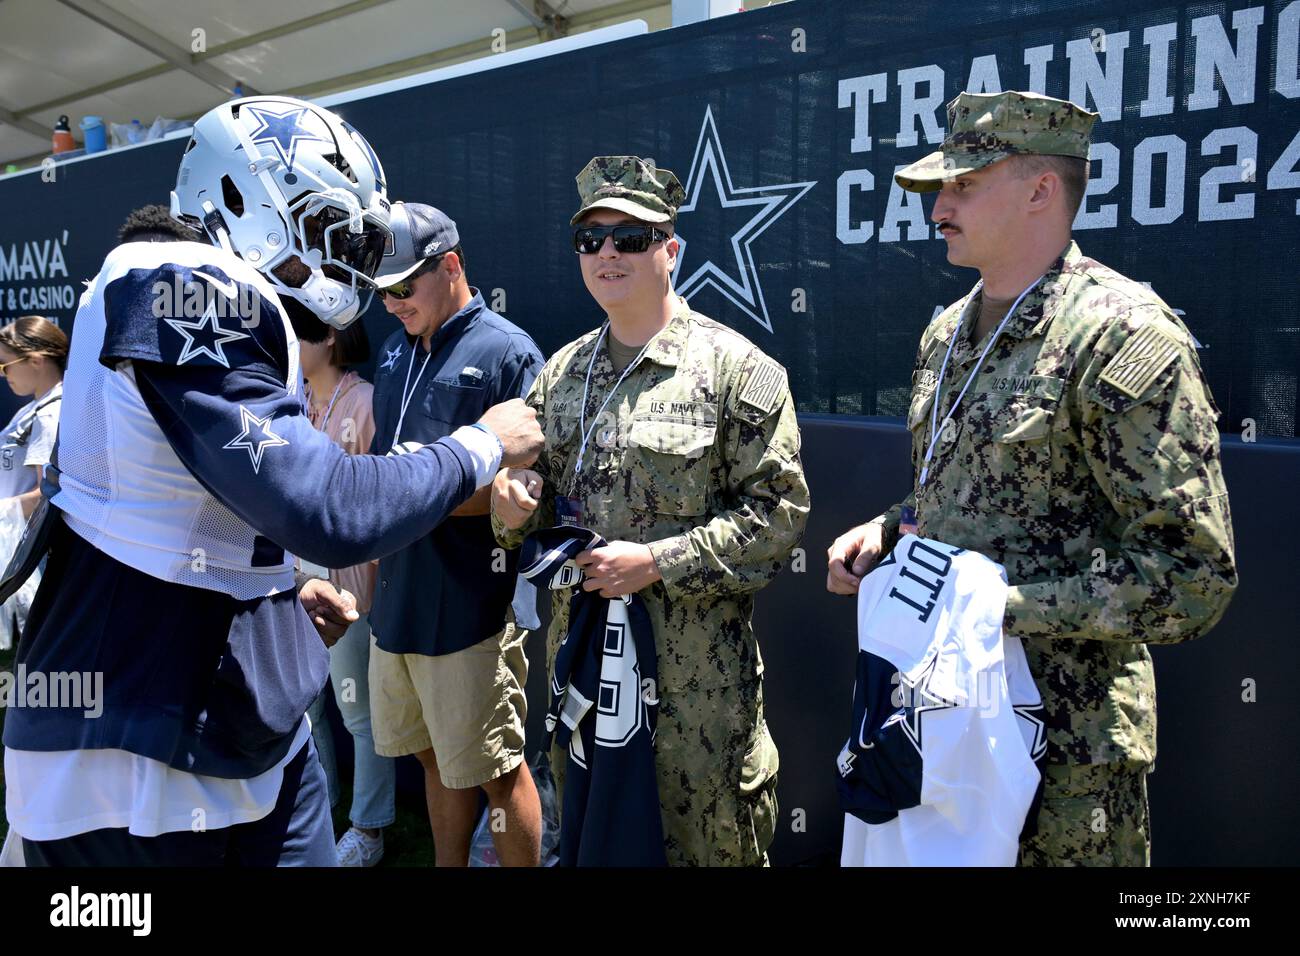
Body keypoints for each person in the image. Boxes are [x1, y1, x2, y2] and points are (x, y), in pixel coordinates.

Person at [2, 95, 542, 867]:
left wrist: (272, 594)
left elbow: (196, 502)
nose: (350, 260)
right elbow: (323, 504)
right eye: (330, 227)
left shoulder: (220, 303)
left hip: (230, 721)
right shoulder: (179, 279)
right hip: (133, 739)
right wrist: (480, 445)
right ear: (243, 202)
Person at [825, 90, 1237, 866]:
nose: (939, 206)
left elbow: (1191, 577)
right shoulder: (949, 331)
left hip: (1065, 750)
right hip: (942, 728)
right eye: (938, 188)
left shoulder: (1122, 334)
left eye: (964, 185)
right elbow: (962, 492)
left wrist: (995, 611)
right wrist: (888, 531)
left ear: (1042, 189)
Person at [492, 156, 809, 866]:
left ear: (671, 249)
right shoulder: (560, 375)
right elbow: (531, 507)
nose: (608, 253)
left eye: (630, 236)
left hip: (697, 712)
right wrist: (510, 507)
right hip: (587, 683)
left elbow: (778, 519)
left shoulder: (737, 372)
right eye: (591, 239)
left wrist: (656, 564)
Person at [367, 202, 545, 867]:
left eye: (402, 286)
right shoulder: (392, 352)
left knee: (498, 771)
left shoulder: (508, 350)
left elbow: (529, 488)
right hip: (400, 600)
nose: (390, 303)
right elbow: (389, 469)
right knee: (433, 755)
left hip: (473, 607)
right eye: (381, 291)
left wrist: (412, 491)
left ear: (450, 266)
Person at [297, 315, 397, 866]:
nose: (289, 344)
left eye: (301, 332)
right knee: (302, 706)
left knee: (358, 711)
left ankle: (370, 828)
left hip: (349, 580)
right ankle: (318, 810)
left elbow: (376, 501)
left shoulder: (364, 401)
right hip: (289, 576)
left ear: (330, 335)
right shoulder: (290, 399)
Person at [0, 316, 67, 650]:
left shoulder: (49, 413)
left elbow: (48, 494)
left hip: (30, 560)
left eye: (5, 365)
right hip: (19, 552)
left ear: (36, 361)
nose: (3, 374)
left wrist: (3, 510)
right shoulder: (36, 408)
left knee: (21, 654)